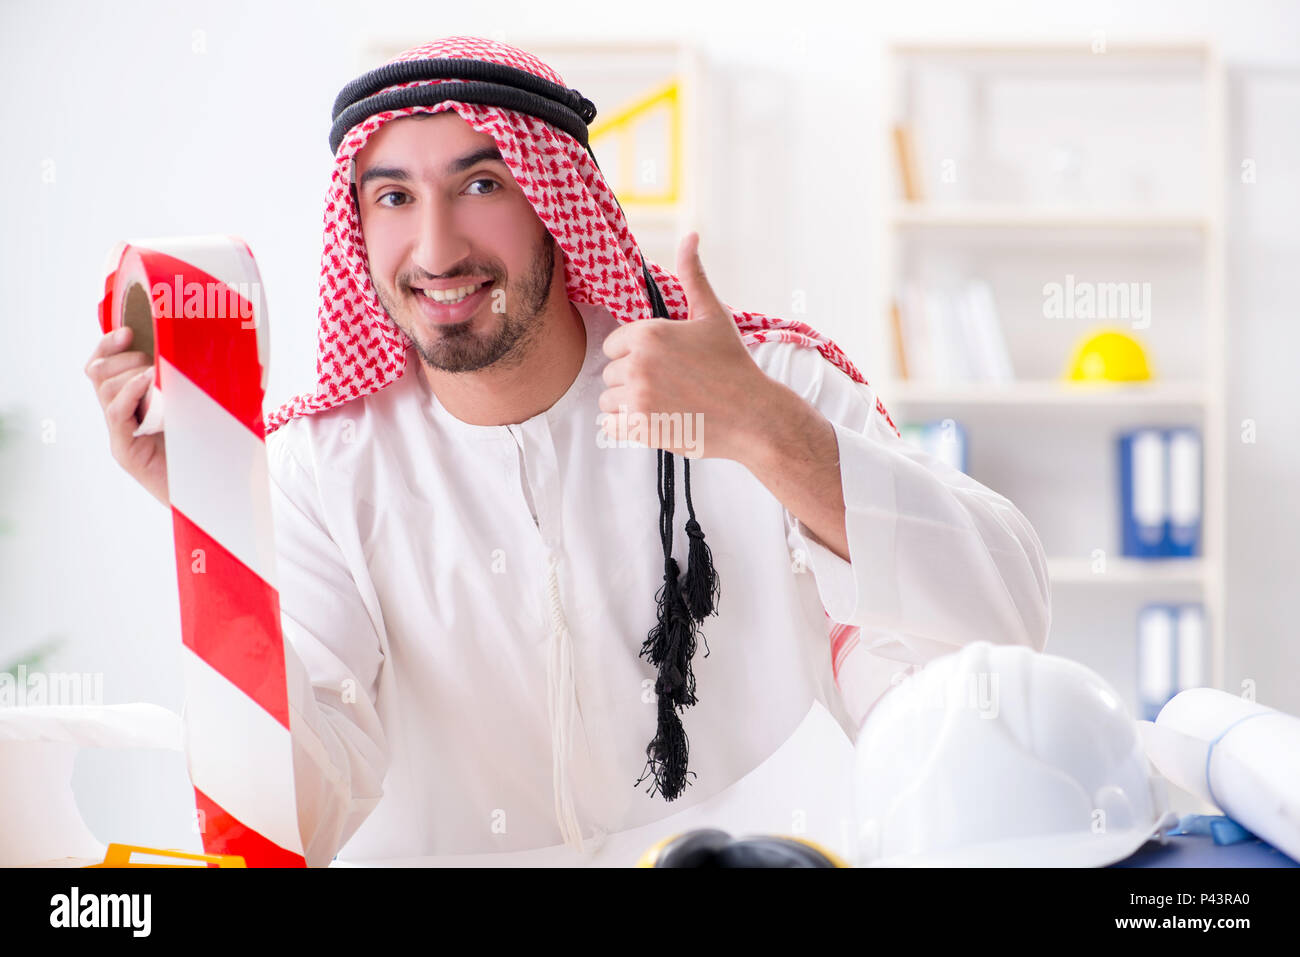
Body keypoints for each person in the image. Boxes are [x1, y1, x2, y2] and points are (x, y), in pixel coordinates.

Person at [84, 37, 1051, 866]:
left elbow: (998, 624)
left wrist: (764, 428)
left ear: (554, 195)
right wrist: (211, 527)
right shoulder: (321, 471)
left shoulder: (759, 382)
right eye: (391, 197)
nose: (434, 247)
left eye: (481, 183)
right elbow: (291, 823)